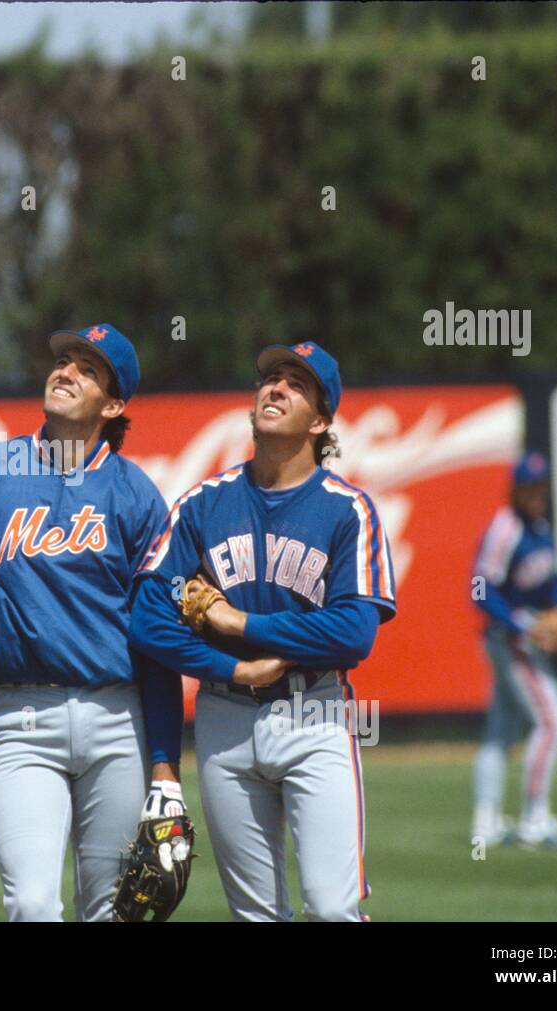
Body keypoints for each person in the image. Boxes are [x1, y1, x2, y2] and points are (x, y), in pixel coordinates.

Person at [0, 323, 176, 921]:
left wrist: (166, 767)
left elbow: (158, 638)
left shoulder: (136, 495)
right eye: (64, 359)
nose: (66, 371)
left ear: (113, 404)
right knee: (31, 903)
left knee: (111, 909)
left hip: (118, 720)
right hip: (22, 722)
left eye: (88, 368)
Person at [129, 341, 396, 922]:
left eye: (296, 384)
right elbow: (148, 616)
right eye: (270, 378)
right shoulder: (203, 504)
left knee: (331, 908)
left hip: (317, 715)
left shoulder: (347, 510)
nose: (274, 388)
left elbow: (354, 633)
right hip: (225, 718)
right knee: (256, 917)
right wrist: (232, 666)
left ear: (321, 421)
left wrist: (234, 622)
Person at [470, 450, 557, 849]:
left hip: (522, 641)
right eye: (527, 487)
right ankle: (534, 820)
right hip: (510, 641)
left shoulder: (540, 527)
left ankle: (486, 823)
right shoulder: (507, 527)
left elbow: (553, 583)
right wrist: (523, 622)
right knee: (553, 722)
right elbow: (480, 589)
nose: (534, 493)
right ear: (516, 490)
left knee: (502, 730)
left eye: (539, 486)